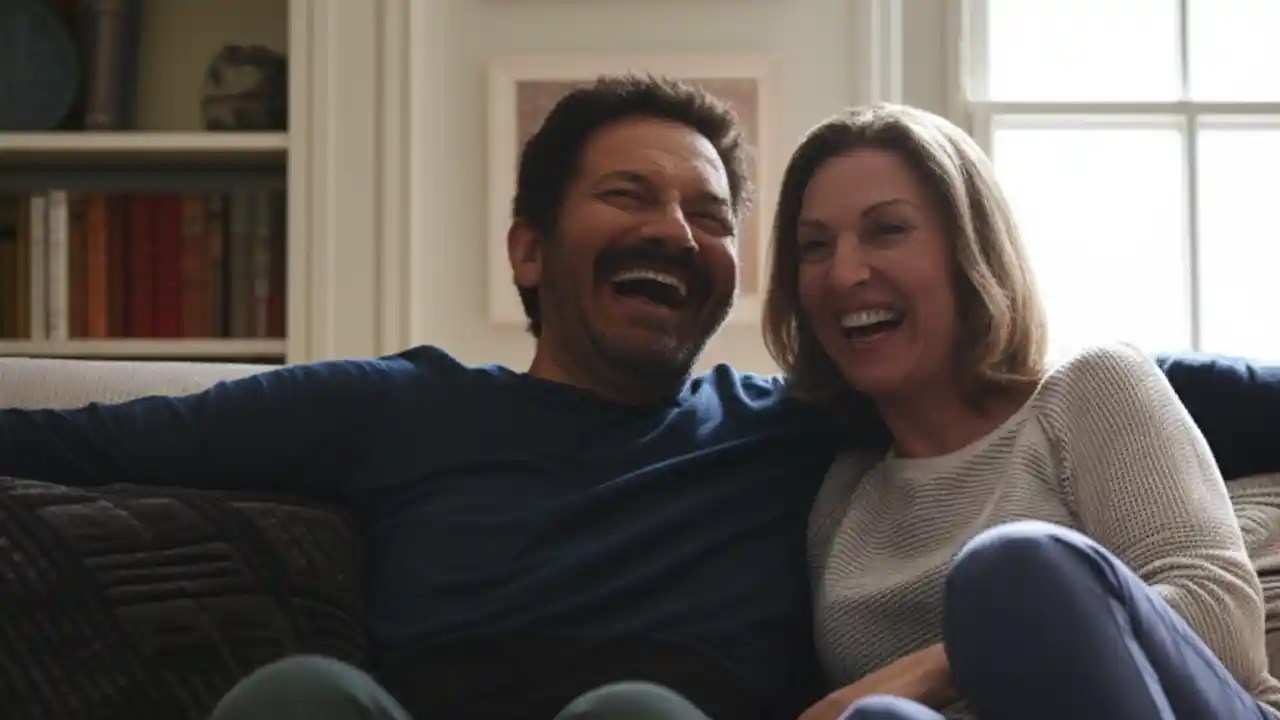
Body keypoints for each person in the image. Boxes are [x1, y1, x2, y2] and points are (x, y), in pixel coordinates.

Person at [0, 78, 1275, 720]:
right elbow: (100, 439)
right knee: (300, 698)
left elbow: (1129, 398)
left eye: (710, 215)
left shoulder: (784, 430)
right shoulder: (396, 408)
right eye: (627, 198)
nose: (674, 230)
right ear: (527, 250)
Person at [759, 102, 1280, 720]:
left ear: (969, 251)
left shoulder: (1092, 389)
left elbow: (1219, 621)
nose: (843, 272)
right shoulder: (842, 495)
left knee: (1012, 568)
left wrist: (943, 663)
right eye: (815, 247)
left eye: (888, 230)